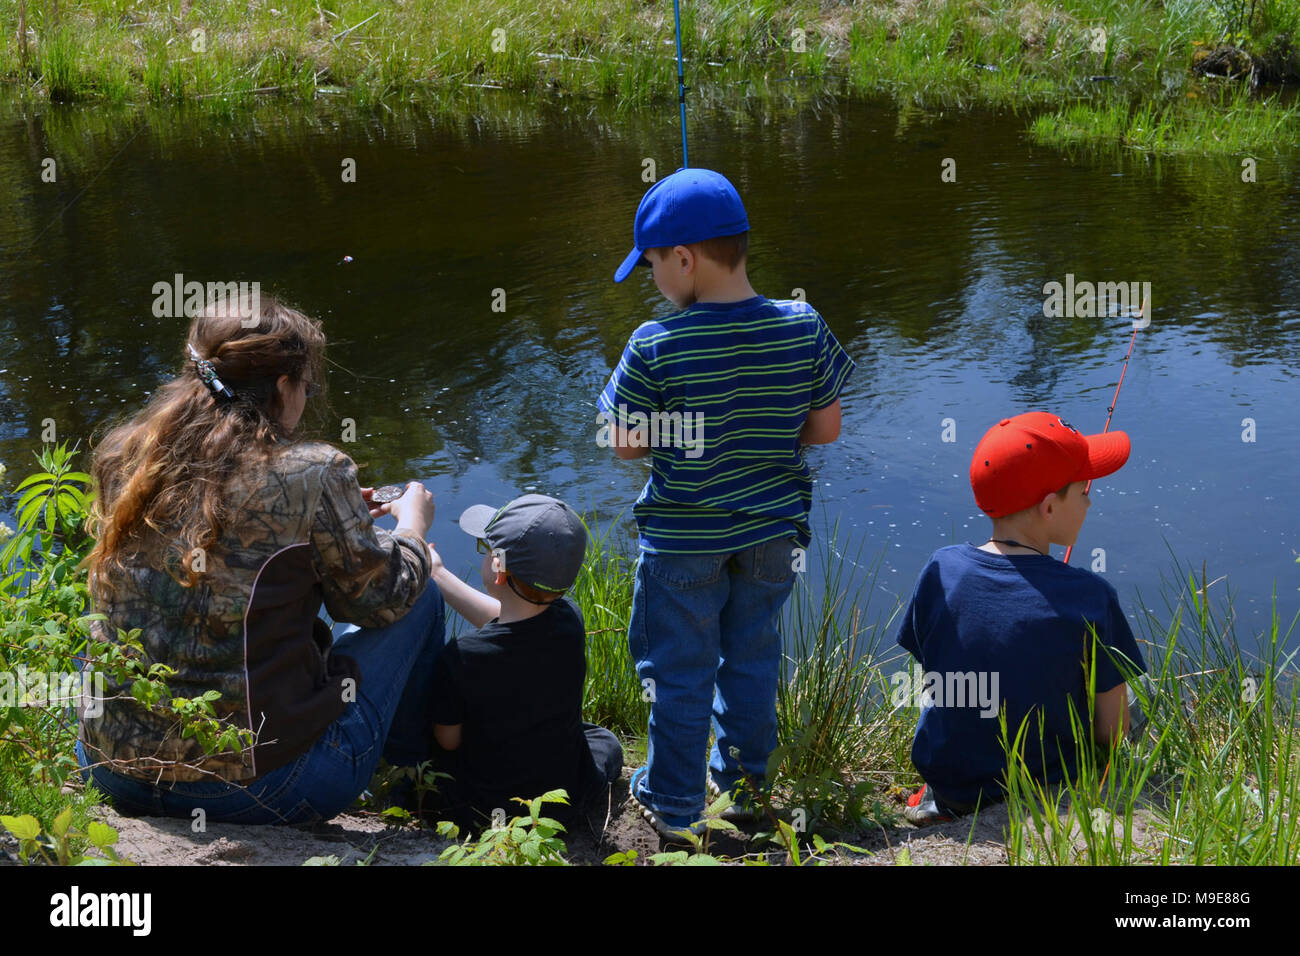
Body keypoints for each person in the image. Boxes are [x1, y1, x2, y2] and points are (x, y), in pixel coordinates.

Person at [76, 295, 445, 825]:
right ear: (281, 387)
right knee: (423, 588)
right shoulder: (315, 472)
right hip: (259, 788)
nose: (307, 394)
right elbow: (378, 603)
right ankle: (415, 787)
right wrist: (412, 527)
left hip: (111, 768)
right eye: (306, 384)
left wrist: (335, 517)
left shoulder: (126, 454)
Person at [598, 168, 855, 837]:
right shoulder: (803, 325)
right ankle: (743, 791)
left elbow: (623, 443)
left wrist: (686, 433)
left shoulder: (656, 343)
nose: (653, 278)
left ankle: (676, 803)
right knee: (751, 659)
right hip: (774, 535)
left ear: (684, 259)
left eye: (653, 264)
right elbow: (826, 430)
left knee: (678, 671)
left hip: (684, 543)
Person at [896, 411, 1148, 825]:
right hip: (1046, 787)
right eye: (1083, 490)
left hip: (954, 786)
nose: (1090, 499)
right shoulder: (1092, 596)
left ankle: (937, 801)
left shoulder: (941, 569)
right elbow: (1112, 733)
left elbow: (937, 663)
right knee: (1137, 697)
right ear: (1049, 508)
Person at [422, 494, 623, 833]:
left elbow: (448, 741)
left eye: (486, 548)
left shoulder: (461, 656)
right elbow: (509, 624)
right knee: (603, 742)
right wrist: (439, 575)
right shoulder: (569, 620)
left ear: (498, 569)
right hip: (561, 800)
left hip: (483, 807)